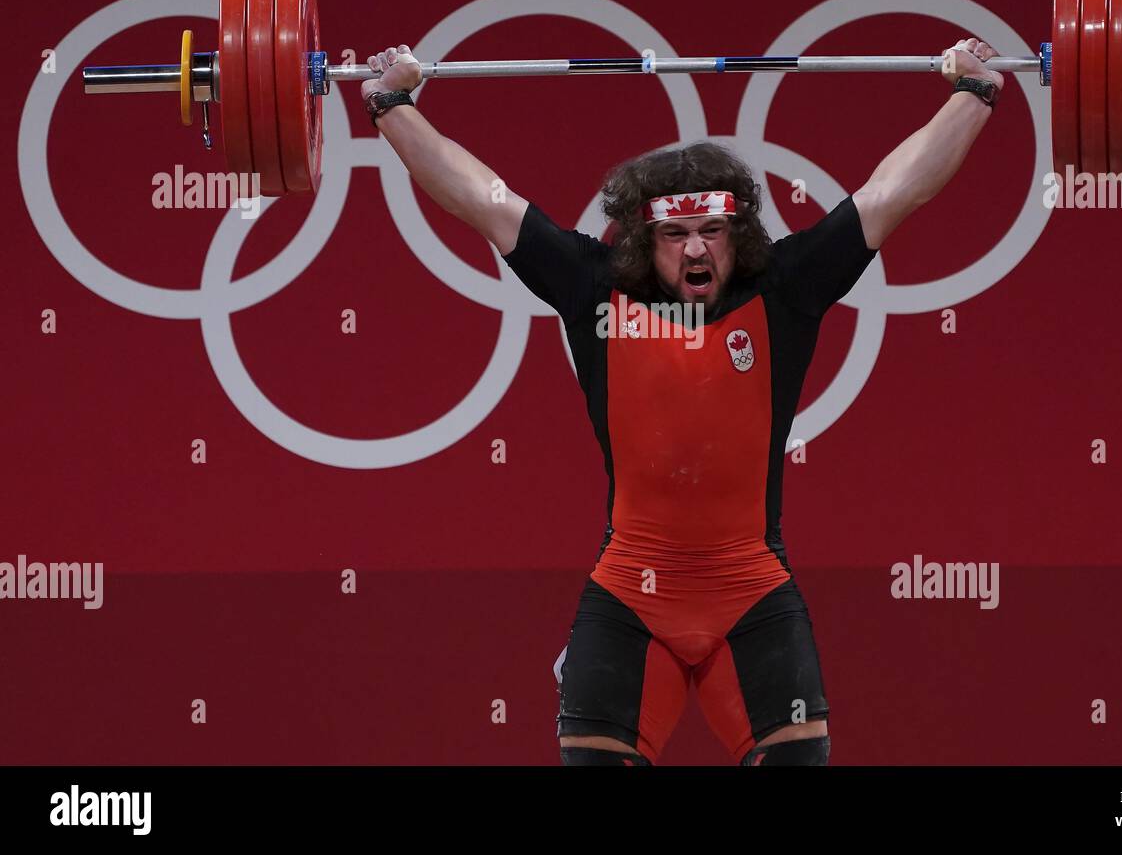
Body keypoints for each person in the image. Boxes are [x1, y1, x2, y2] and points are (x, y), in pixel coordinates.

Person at [362, 38, 1003, 765]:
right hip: (629, 598)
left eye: (712, 231)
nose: (696, 250)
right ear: (644, 239)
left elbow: (893, 193)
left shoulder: (785, 289)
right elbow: (481, 198)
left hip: (752, 594)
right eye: (675, 234)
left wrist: (974, 93)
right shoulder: (592, 285)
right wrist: (392, 104)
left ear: (738, 233)